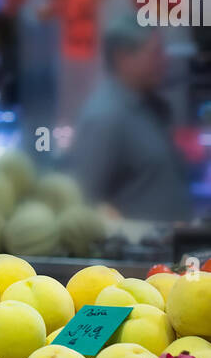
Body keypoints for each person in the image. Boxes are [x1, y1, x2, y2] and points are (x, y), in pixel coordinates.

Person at [68, 17, 191, 221]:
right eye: (155, 53)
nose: (164, 60)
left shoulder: (147, 107)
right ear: (122, 57)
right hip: (135, 249)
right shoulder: (105, 116)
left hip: (164, 245)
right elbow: (85, 199)